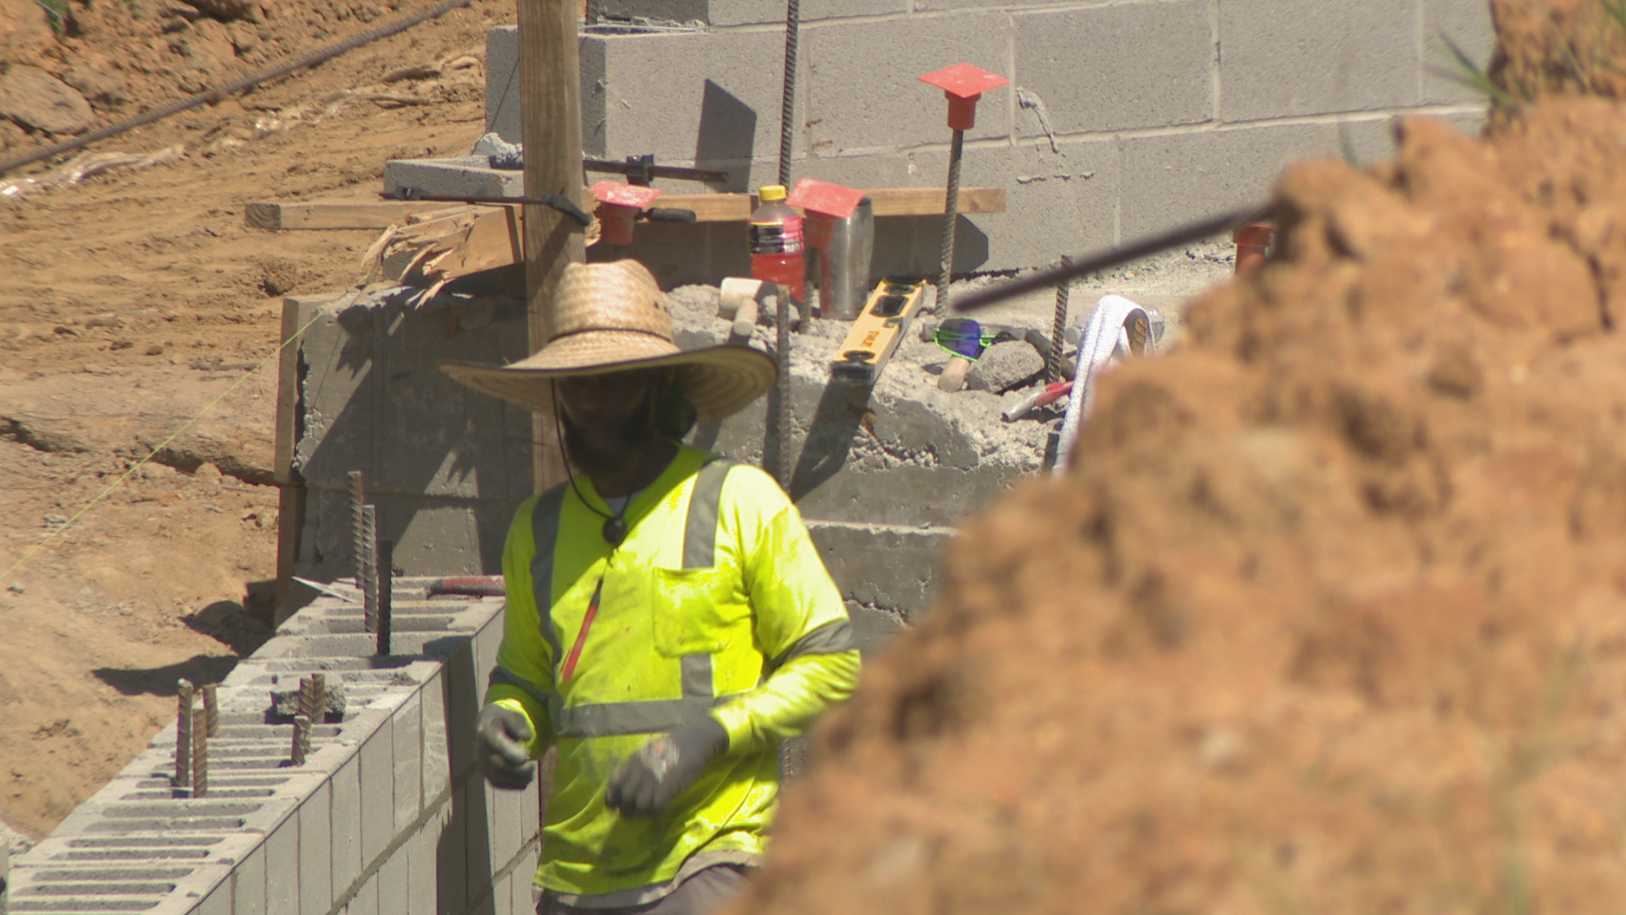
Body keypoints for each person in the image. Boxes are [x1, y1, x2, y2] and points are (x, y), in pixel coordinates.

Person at [439, 258, 861, 915]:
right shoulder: (538, 528)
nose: (593, 407)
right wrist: (507, 721)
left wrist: (708, 735)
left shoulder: (739, 501)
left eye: (614, 384)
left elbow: (832, 666)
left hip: (709, 856)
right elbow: (526, 676)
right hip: (580, 874)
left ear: (657, 389)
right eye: (578, 387)